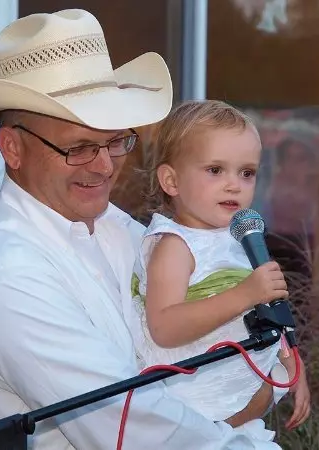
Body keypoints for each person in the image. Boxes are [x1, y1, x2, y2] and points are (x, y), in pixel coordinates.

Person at [0, 9, 289, 449]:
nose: (104, 167)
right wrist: (260, 400)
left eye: (116, 141)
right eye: (78, 147)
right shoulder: (8, 277)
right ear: (12, 148)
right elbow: (132, 430)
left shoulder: (116, 227)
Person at [130, 100, 310, 440]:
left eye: (246, 173)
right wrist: (245, 293)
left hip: (238, 403)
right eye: (215, 170)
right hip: (195, 406)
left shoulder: (238, 238)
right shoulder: (175, 245)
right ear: (171, 180)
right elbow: (164, 327)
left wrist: (290, 361)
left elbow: (267, 309)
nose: (234, 185)